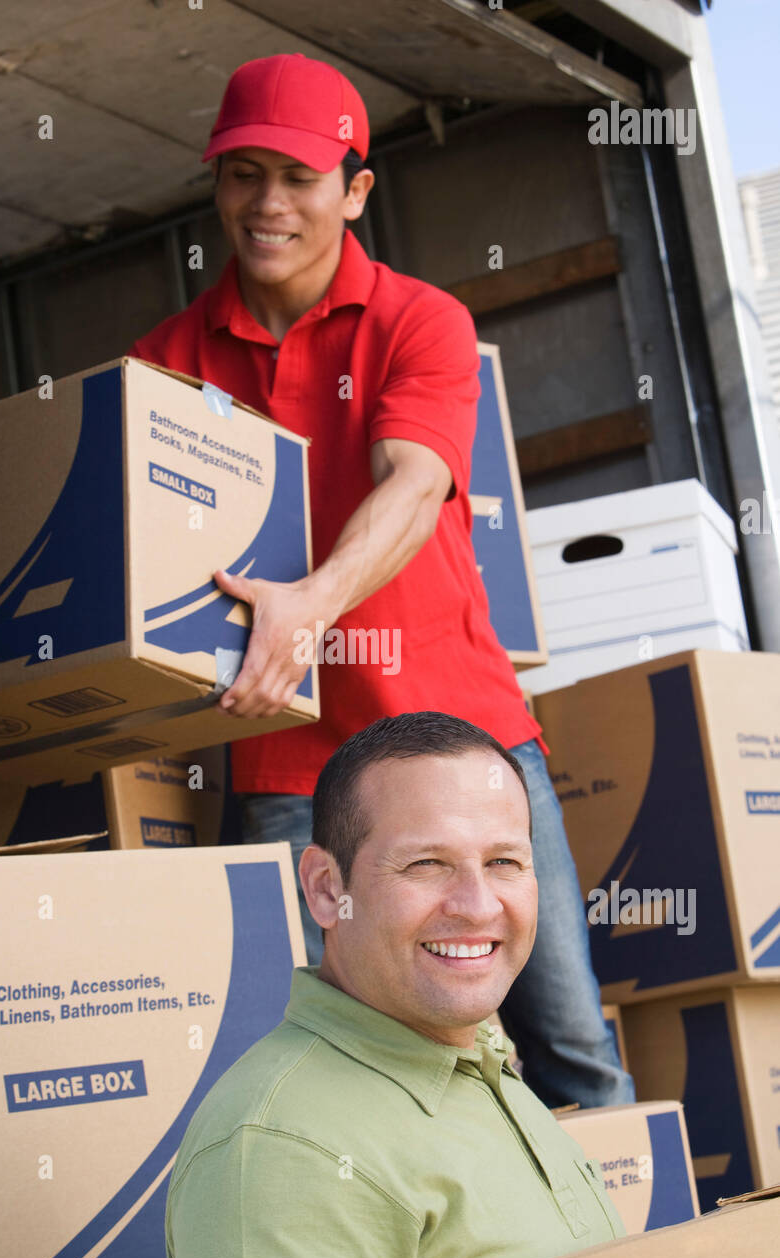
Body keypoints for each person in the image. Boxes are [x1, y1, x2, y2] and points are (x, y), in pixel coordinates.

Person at [129, 52, 634, 1111]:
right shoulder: (166, 362)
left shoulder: (419, 321)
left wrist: (309, 606)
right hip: (281, 761)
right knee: (305, 1073)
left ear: (353, 191)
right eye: (241, 174)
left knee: (567, 1043)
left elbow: (413, 486)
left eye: (298, 177)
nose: (266, 204)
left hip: (461, 733)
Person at [166, 713, 625, 1258]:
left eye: (504, 862)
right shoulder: (283, 1152)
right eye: (426, 864)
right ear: (328, 890)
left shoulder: (479, 1061)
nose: (478, 907)